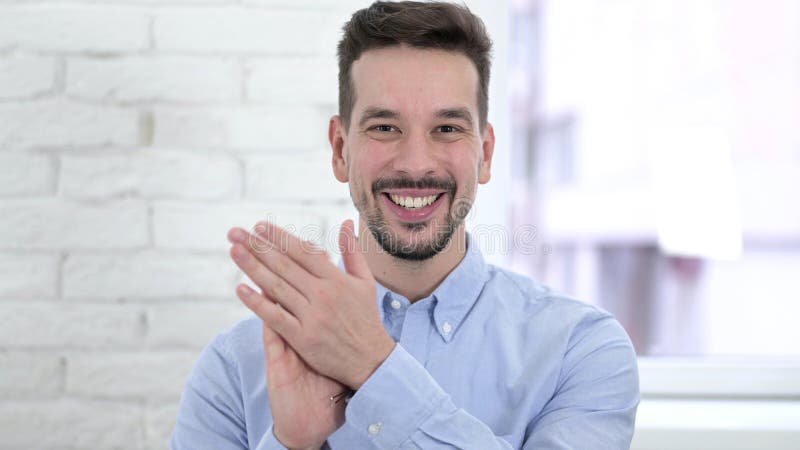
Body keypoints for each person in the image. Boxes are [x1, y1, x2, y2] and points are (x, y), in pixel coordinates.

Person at [170, 2, 639, 449]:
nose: (416, 163)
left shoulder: (581, 350)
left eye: (447, 128)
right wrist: (293, 445)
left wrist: (373, 366)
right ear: (340, 150)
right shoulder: (235, 367)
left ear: (486, 154)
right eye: (384, 127)